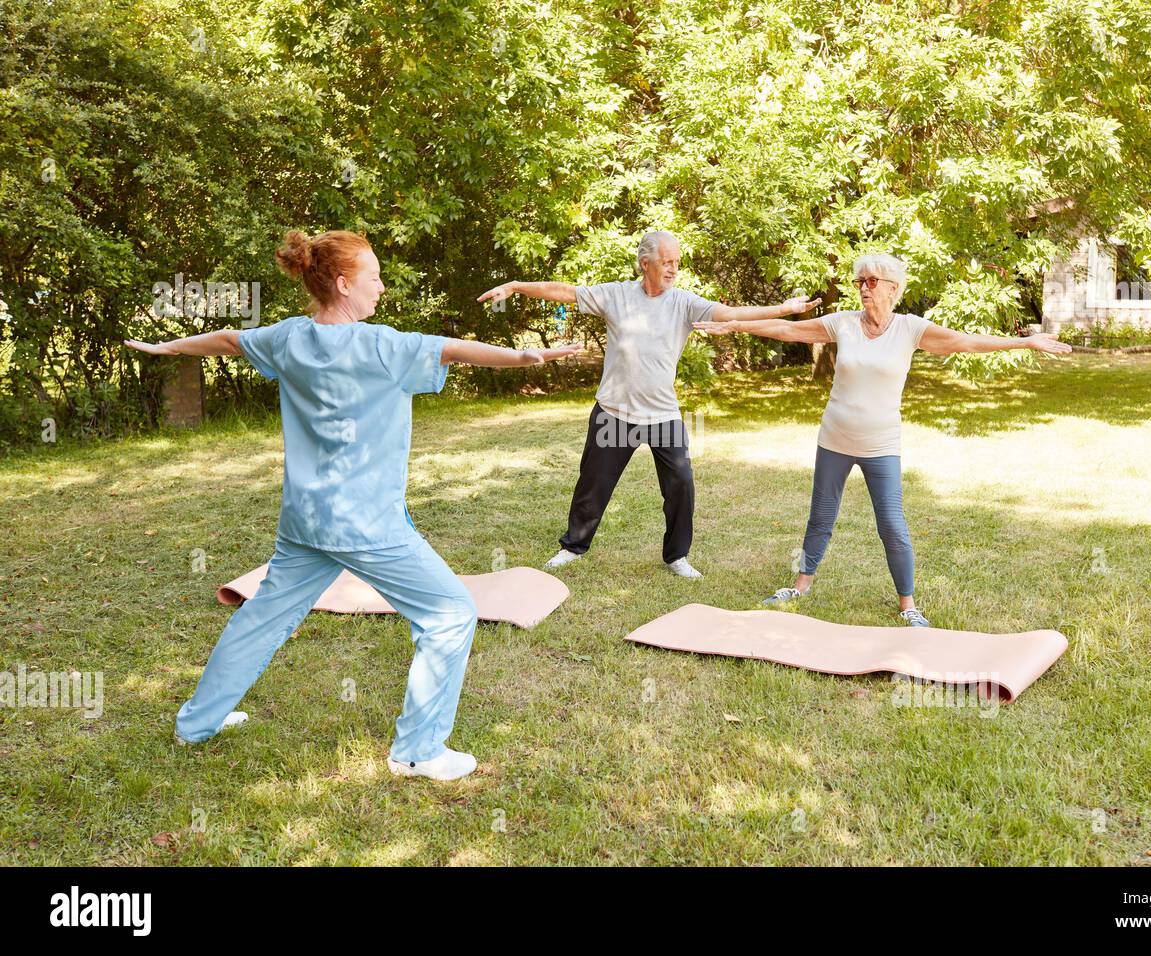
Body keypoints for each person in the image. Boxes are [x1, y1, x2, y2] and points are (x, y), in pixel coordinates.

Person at [125, 229, 579, 780]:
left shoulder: (289, 339)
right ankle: (418, 752)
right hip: (367, 526)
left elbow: (224, 339)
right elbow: (454, 350)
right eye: (374, 278)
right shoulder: (383, 347)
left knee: (262, 619)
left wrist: (168, 347)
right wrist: (529, 355)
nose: (382, 288)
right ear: (343, 284)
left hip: (305, 522)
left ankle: (197, 723)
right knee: (449, 614)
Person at [692, 253, 1071, 625]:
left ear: (893, 288)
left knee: (892, 524)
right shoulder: (844, 323)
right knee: (820, 516)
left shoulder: (910, 329)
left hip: (880, 445)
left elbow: (966, 342)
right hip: (835, 438)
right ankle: (801, 585)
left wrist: (1024, 343)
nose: (864, 288)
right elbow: (788, 330)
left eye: (872, 281)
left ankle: (907, 604)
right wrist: (735, 326)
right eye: (860, 281)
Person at [477, 230, 820, 578]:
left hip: (662, 415)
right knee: (593, 484)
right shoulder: (616, 296)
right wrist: (517, 286)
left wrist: (785, 308)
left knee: (681, 485)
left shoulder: (683, 302)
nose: (673, 269)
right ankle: (573, 547)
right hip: (615, 412)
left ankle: (676, 556)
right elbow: (565, 291)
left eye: (676, 263)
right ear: (645, 264)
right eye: (666, 262)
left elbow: (730, 312)